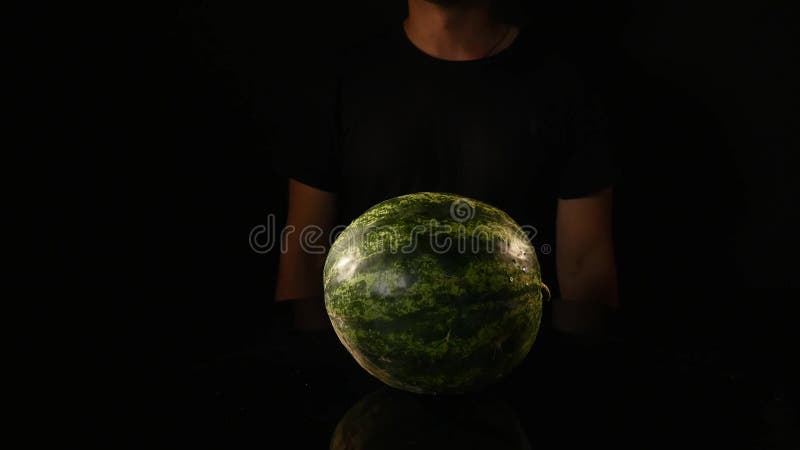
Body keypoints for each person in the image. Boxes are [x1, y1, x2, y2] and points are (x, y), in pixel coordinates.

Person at [273, 0, 619, 344]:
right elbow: (305, 249)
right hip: (363, 362)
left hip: (517, 358)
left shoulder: (564, 83)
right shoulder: (338, 78)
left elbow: (585, 265)